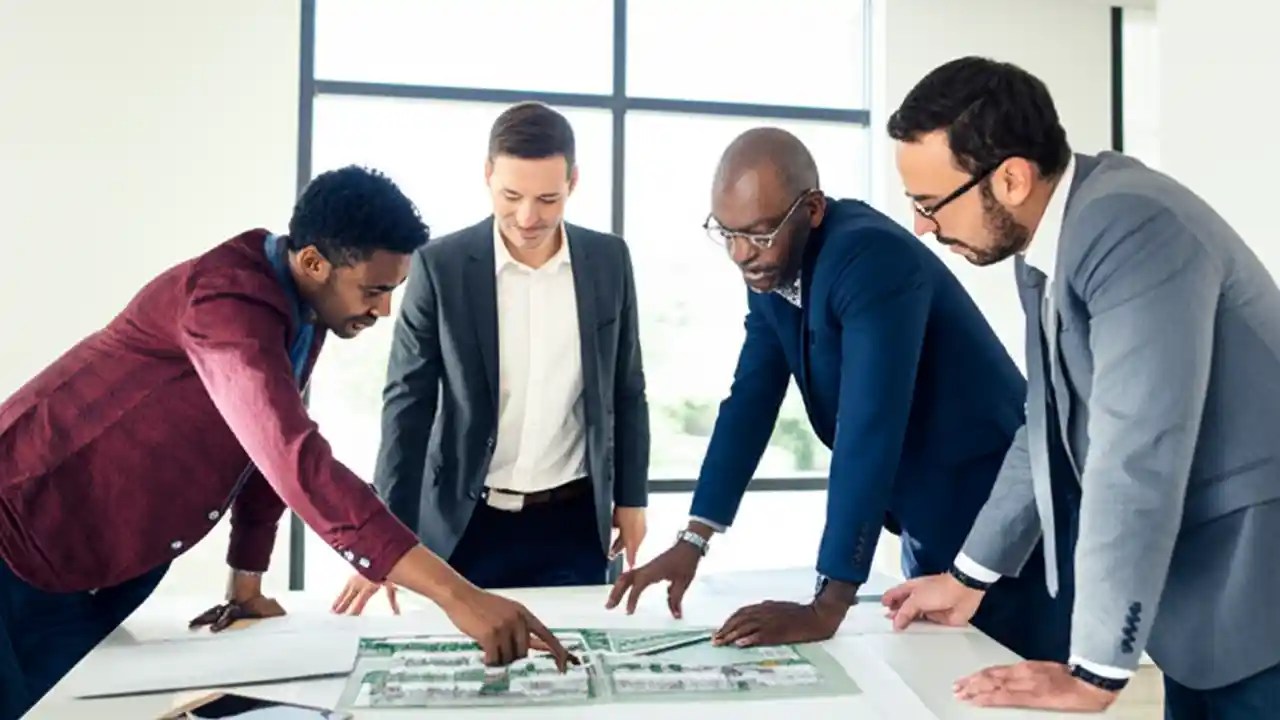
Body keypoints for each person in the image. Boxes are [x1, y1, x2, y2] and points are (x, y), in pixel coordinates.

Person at [0, 166, 573, 720]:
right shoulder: (223, 301)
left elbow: (257, 445)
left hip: (103, 557)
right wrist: (457, 596)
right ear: (314, 262)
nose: (383, 310)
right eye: (373, 290)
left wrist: (246, 577)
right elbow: (288, 451)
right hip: (22, 531)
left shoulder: (299, 309)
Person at [883, 56, 1280, 717]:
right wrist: (968, 576)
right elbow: (1045, 423)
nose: (923, 226)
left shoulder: (1130, 226)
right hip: (1204, 600)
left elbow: (1134, 451)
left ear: (1010, 179)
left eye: (928, 204)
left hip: (1258, 583)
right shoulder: (1048, 245)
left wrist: (1093, 671)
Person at [605, 127, 1071, 663]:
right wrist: (694, 539)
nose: (741, 254)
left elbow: (869, 424)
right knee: (949, 688)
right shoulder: (772, 266)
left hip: (1007, 526)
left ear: (814, 209)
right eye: (727, 234)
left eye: (757, 234)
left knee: (1021, 691)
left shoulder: (870, 258)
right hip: (927, 518)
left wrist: (828, 604)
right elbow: (750, 401)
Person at [332, 102, 649, 614]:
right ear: (487, 176)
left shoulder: (608, 261)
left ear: (574, 181)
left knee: (573, 672)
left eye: (548, 198)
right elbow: (406, 406)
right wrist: (383, 539)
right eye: (512, 195)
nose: (529, 217)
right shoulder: (441, 266)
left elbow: (627, 388)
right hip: (463, 526)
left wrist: (632, 499)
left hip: (572, 526)